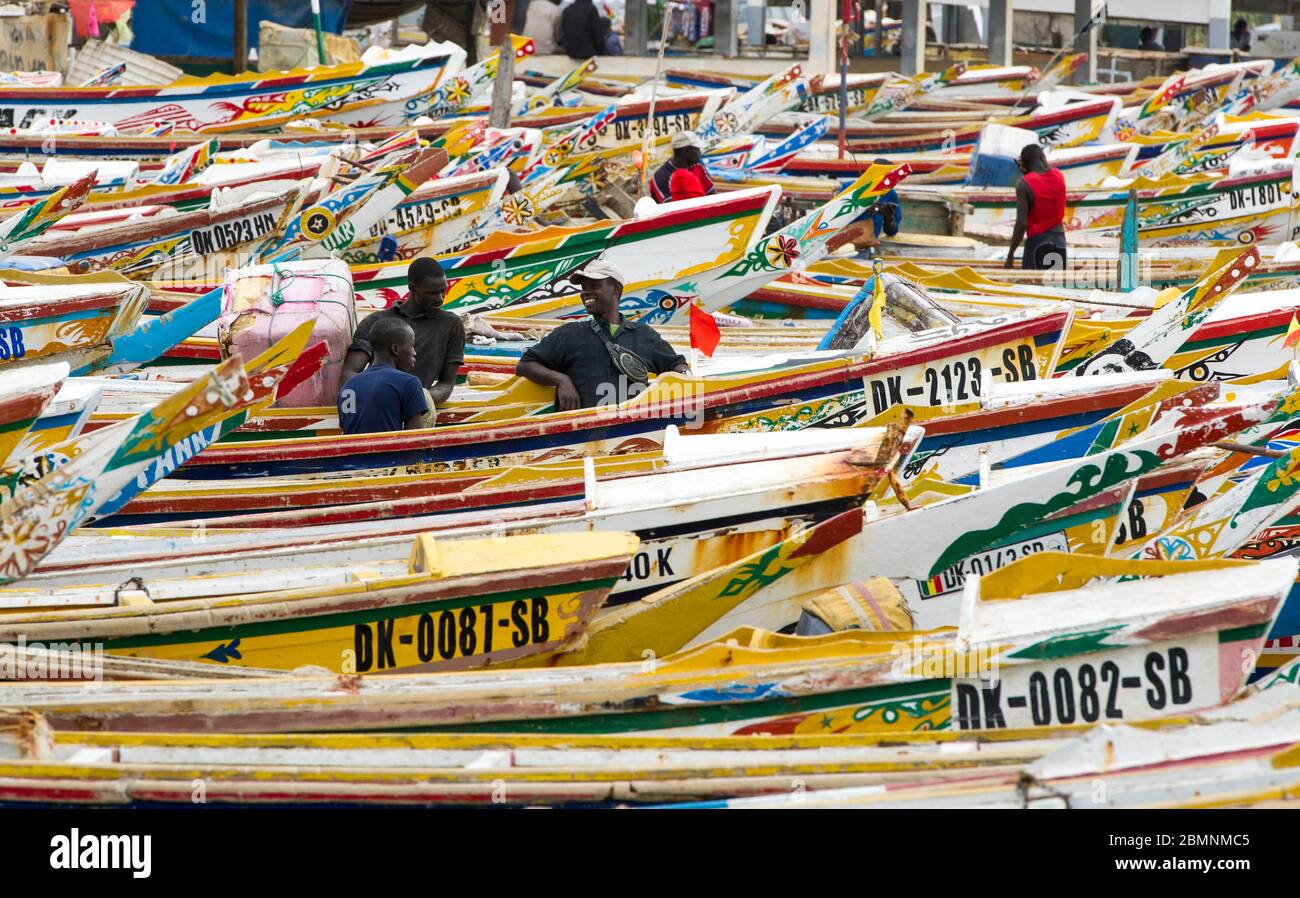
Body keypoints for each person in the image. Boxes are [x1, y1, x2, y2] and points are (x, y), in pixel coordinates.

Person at [516, 258, 688, 410]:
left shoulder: (644, 335)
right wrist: (561, 380)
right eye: (583, 288)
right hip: (582, 435)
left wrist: (686, 378)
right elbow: (525, 365)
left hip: (631, 430)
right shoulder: (569, 334)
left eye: (594, 286)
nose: (586, 293)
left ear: (616, 289)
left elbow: (675, 365)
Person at [341, 257, 464, 426]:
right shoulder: (375, 322)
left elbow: (447, 383)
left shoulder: (451, 325)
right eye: (432, 293)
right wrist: (383, 399)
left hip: (418, 409)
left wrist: (423, 398)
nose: (440, 298)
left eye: (443, 291)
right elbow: (349, 374)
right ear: (411, 288)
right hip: (378, 411)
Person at [337, 317, 428, 434]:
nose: (414, 352)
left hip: (352, 452)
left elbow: (346, 428)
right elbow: (415, 439)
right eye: (411, 345)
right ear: (395, 349)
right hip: (388, 452)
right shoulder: (409, 383)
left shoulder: (348, 385)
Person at [1006, 143, 1067, 271]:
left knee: (1032, 288)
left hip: (1038, 243)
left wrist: (1011, 254)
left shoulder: (1023, 183)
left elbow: (1021, 223)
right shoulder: (1059, 176)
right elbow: (1044, 176)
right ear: (1042, 157)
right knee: (1055, 288)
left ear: (1023, 164)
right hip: (1060, 242)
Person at [651, 131, 716, 203]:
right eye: (697, 149)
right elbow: (670, 208)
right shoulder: (661, 176)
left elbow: (712, 194)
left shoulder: (698, 164)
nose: (699, 152)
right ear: (685, 150)